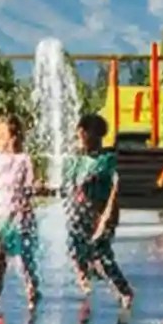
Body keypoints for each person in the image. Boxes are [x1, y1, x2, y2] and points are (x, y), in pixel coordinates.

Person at [63, 113, 134, 309]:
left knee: (102, 257)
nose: (80, 139)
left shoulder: (107, 159)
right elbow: (68, 186)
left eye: (84, 134)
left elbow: (110, 186)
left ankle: (124, 291)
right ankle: (86, 282)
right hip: (78, 214)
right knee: (74, 249)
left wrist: (106, 218)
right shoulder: (76, 160)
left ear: (96, 135)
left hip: (100, 213)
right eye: (79, 135)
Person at [0, 115, 42, 312]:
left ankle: (32, 291)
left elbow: (31, 184)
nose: (5, 139)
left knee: (23, 260)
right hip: (0, 211)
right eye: (2, 135)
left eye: (10, 135)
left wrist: (34, 190)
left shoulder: (25, 159)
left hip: (20, 214)